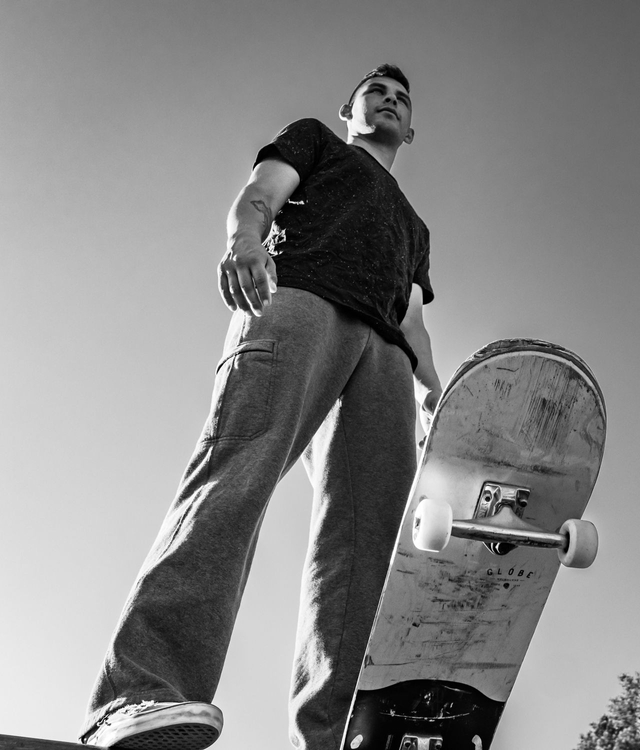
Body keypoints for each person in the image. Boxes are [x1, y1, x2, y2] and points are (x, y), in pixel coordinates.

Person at [81, 64, 442, 750]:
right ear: (350, 109)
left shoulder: (415, 227)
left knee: (365, 545)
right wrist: (244, 241)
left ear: (412, 130)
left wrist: (436, 396)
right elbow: (258, 195)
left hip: (385, 359)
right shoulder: (317, 141)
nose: (390, 102)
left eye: (401, 99)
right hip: (300, 305)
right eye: (376, 93)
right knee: (238, 474)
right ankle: (141, 691)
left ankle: (333, 736)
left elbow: (414, 319)